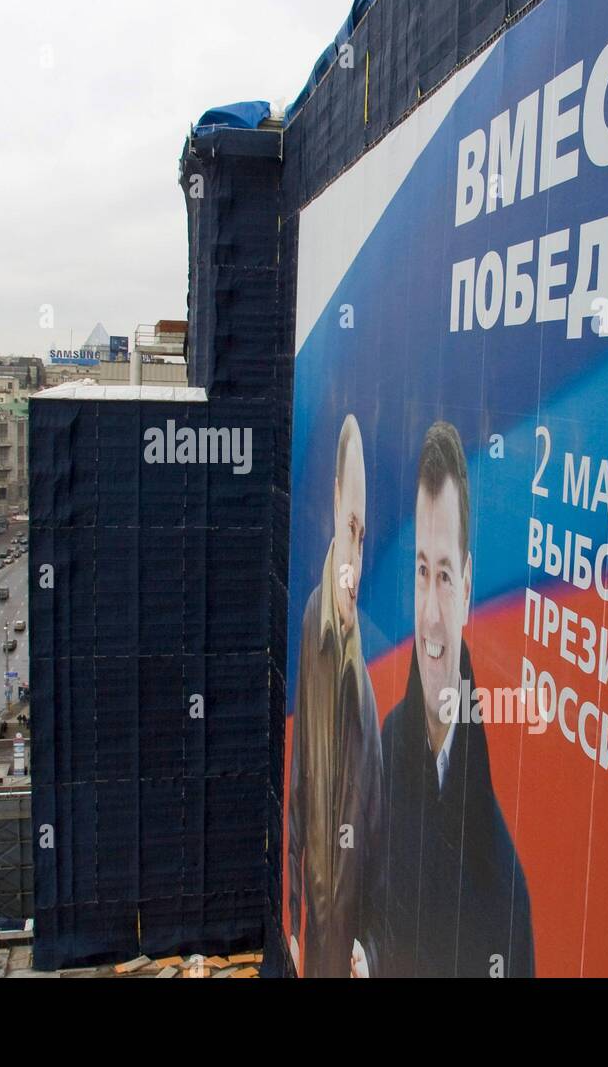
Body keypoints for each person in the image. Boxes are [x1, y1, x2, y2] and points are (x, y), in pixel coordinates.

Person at [358, 421, 534, 977]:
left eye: (445, 577)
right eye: (421, 573)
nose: (431, 612)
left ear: (468, 588)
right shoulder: (380, 753)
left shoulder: (506, 887)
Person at [286, 415, 383, 978]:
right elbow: (299, 790)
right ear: (335, 500)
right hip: (313, 939)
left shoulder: (365, 692)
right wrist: (294, 927)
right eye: (350, 528)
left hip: (341, 952)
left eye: (363, 538)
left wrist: (367, 947)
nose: (354, 565)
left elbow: (374, 846)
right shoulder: (312, 627)